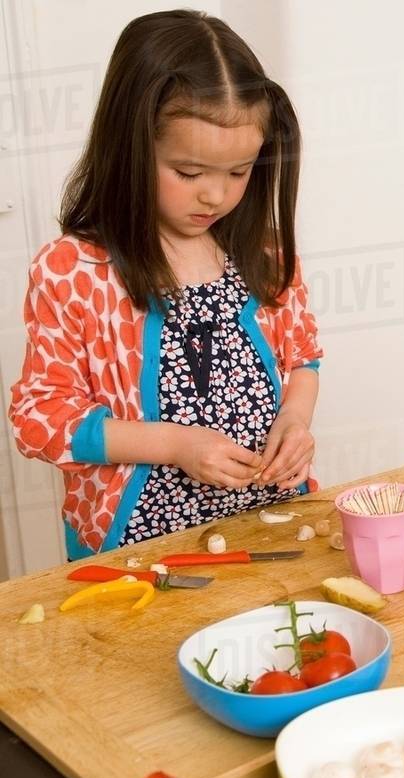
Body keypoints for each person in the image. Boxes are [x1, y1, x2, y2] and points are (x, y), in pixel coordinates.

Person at [9, 10, 321, 558]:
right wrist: (176, 445)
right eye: (190, 173)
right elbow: (41, 418)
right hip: (137, 553)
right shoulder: (73, 271)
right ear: (130, 148)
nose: (215, 196)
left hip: (266, 530)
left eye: (239, 172)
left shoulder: (265, 255)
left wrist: (296, 421)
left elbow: (303, 360)